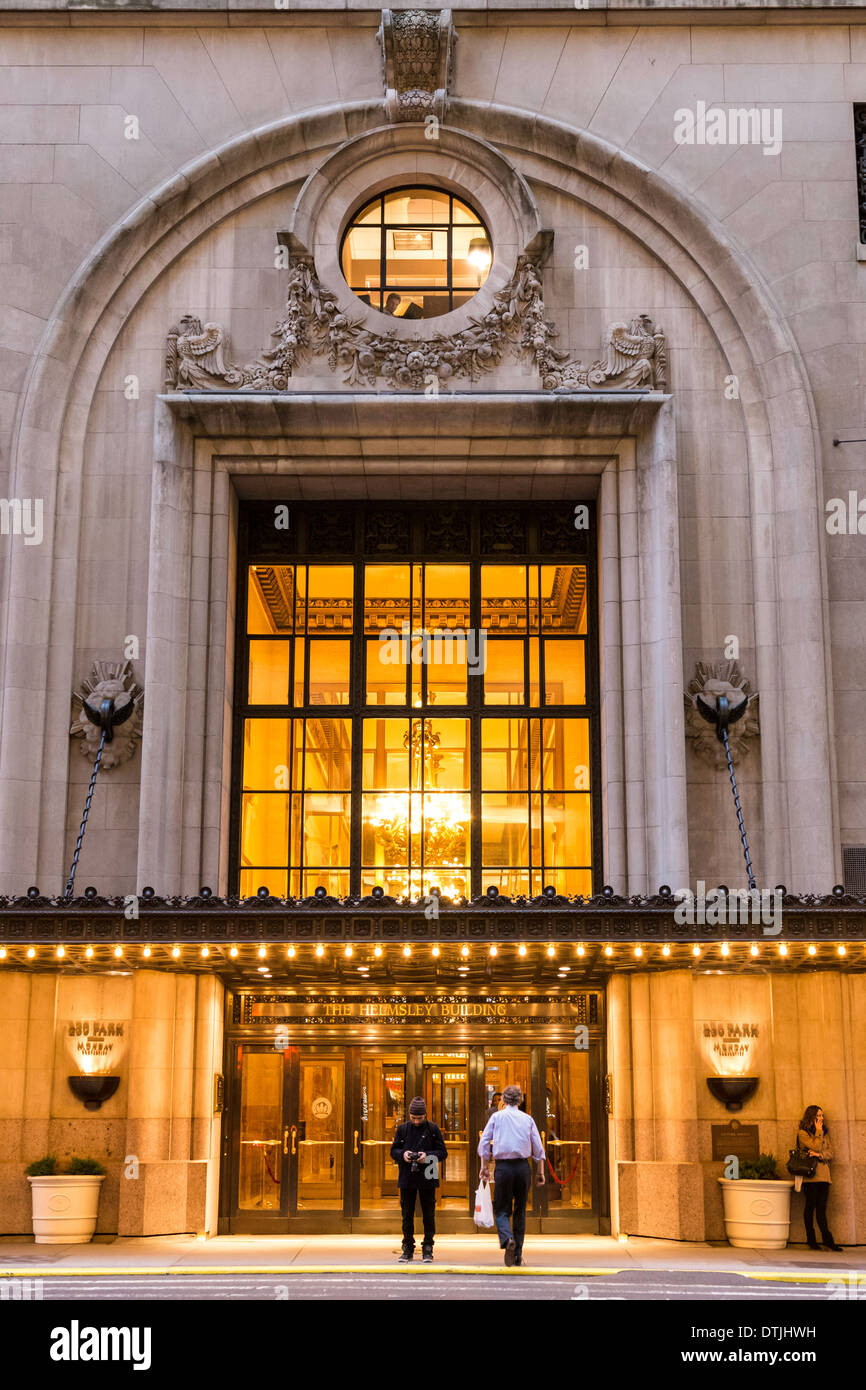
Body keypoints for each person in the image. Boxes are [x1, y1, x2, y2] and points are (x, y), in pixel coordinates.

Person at [478, 1083, 545, 1267]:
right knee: (520, 1211)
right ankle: (517, 1254)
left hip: (504, 1168)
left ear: (503, 1100)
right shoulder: (527, 1119)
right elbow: (538, 1147)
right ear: (520, 1100)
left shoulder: (497, 1118)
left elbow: (484, 1142)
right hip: (523, 1168)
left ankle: (507, 1239)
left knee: (501, 1208)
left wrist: (484, 1166)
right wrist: (540, 1171)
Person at [390, 1096, 448, 1263]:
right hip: (407, 1175)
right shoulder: (402, 1129)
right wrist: (404, 1154)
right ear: (409, 1115)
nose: (416, 1122)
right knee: (406, 1214)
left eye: (419, 1118)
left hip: (428, 1173)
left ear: (425, 1115)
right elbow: (393, 1151)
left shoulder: (433, 1129)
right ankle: (407, 1246)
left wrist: (427, 1156)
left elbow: (443, 1152)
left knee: (428, 1214)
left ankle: (428, 1246)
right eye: (413, 1118)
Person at [797, 1104, 843, 1251]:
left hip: (824, 1176)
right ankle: (811, 1240)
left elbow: (831, 1153)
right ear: (811, 1117)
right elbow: (815, 1146)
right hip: (811, 1177)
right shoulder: (803, 1133)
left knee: (822, 1209)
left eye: (822, 1116)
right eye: (818, 1116)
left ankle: (828, 1240)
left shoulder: (825, 1132)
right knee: (810, 1208)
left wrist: (819, 1155)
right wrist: (817, 1132)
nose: (821, 1118)